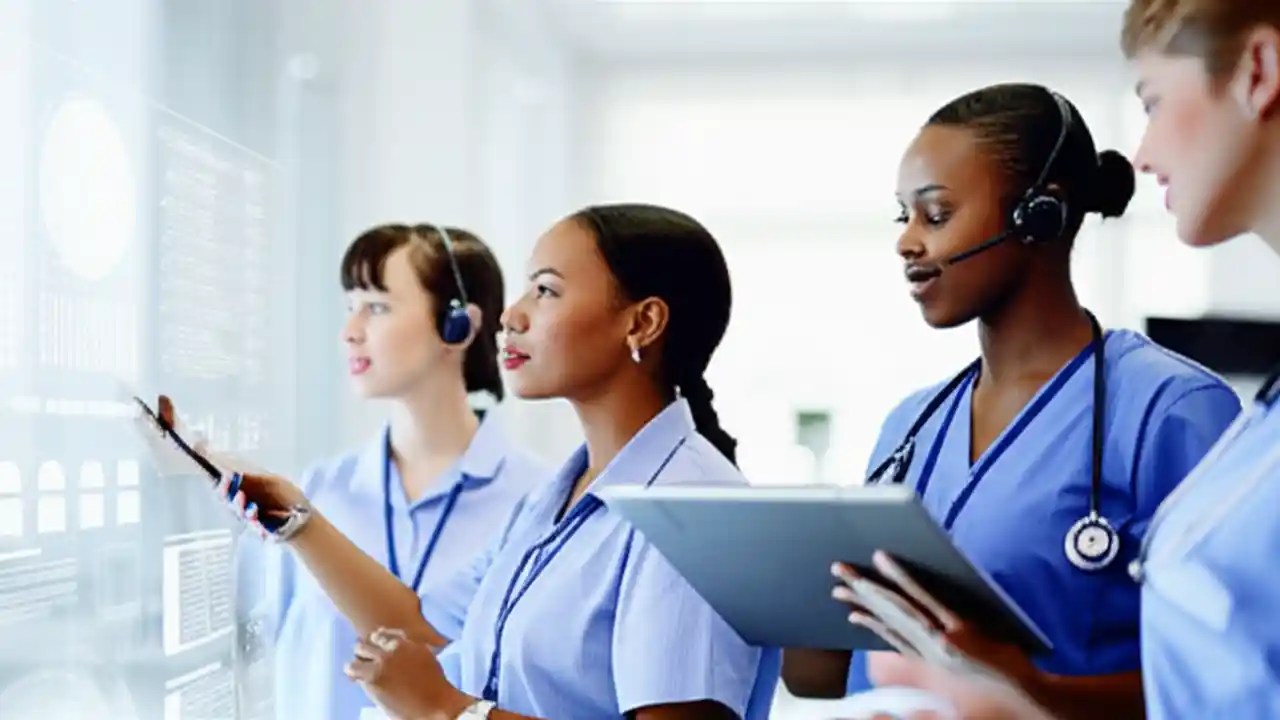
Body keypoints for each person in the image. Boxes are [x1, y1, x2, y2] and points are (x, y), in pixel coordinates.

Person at [142, 204, 780, 720]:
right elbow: (427, 627)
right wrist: (299, 521)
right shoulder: (557, 498)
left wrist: (450, 711)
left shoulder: (691, 508)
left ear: (642, 323)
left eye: (547, 291)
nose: (512, 315)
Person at [842, 2, 1280, 718]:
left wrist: (1035, 694)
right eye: (904, 217)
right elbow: (842, 664)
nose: (908, 242)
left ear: (1038, 213)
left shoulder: (1172, 413)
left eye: (937, 213)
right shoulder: (908, 428)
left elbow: (1215, 672)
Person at [238, 223, 546, 720]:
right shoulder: (313, 493)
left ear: (457, 327)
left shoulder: (536, 502)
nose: (350, 331)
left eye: (377, 306)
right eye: (349, 307)